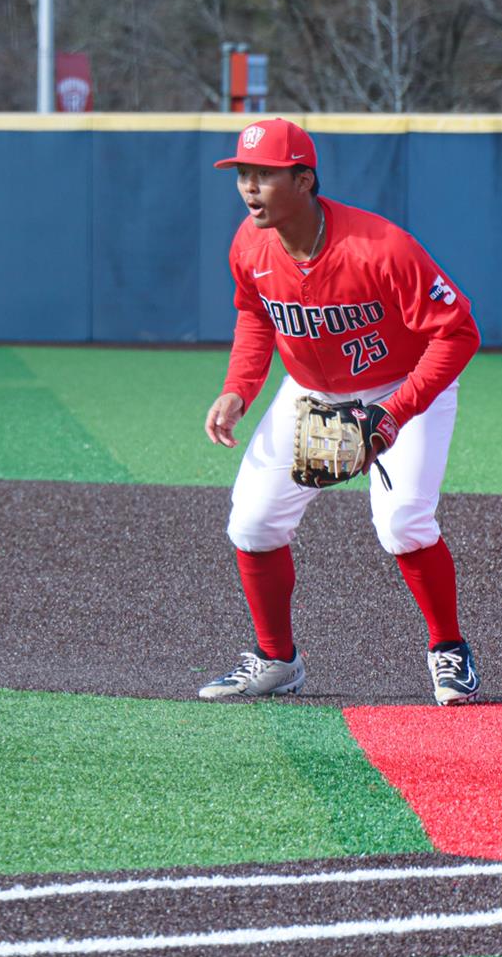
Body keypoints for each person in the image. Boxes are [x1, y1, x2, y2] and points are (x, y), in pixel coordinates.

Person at [200, 118, 482, 706]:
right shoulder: (250, 245)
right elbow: (256, 316)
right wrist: (238, 388)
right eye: (243, 175)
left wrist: (396, 412)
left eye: (265, 176)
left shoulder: (380, 248)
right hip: (309, 390)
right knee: (251, 524)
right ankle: (277, 661)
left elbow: (457, 333)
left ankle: (448, 649)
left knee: (403, 524)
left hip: (401, 386)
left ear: (304, 180)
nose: (250, 188)